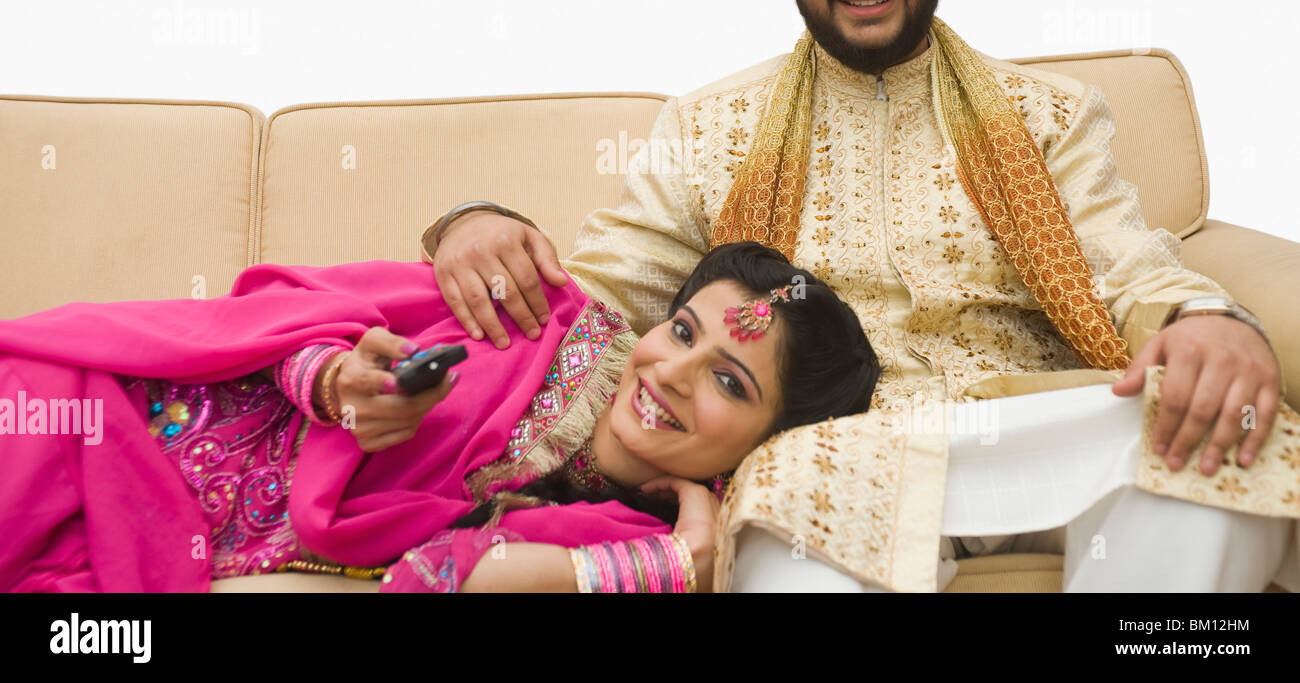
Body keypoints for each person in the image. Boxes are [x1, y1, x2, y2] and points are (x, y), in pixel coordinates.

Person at [418, 0, 1300, 592]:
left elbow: (1131, 266)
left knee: (1219, 449)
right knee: (777, 531)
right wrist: (470, 222)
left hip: (1040, 433)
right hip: (834, 467)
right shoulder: (710, 128)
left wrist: (1205, 320)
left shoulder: (1050, 114)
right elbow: (592, 300)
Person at [0, 241, 878, 593]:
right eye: (681, 330)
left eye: (729, 381)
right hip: (103, 400)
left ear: (767, 442)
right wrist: (336, 376)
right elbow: (279, 303)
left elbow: (434, 577)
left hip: (141, 530)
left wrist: (670, 562)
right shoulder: (538, 310)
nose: (673, 372)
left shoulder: (612, 526)